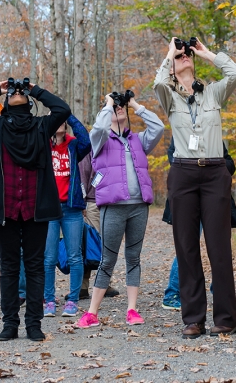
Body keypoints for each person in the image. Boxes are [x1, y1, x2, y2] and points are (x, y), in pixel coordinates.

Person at [0, 80, 70, 341]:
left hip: (35, 207)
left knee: (35, 267)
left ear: (30, 100)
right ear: (6, 99)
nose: (18, 93)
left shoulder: (42, 126)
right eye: (14, 91)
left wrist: (35, 89)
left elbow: (62, 109)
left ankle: (33, 324)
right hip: (5, 208)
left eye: (22, 92)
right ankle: (10, 323)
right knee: (8, 267)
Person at [153, 37, 236, 338]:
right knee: (186, 247)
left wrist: (206, 54)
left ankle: (227, 319)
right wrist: (169, 54)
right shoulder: (170, 96)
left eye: (187, 54)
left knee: (219, 248)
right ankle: (193, 318)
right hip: (183, 174)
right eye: (181, 56)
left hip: (215, 172)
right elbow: (157, 84)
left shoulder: (214, 94)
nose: (184, 57)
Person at [75, 92, 164, 329]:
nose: (119, 109)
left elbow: (158, 127)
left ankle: (132, 310)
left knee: (133, 258)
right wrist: (108, 104)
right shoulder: (100, 141)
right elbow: (99, 129)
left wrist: (135, 104)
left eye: (121, 107)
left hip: (138, 206)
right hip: (112, 207)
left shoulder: (138, 140)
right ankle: (92, 313)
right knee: (108, 259)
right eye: (117, 108)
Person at [161, 138, 236, 310]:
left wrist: (214, 170)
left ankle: (217, 291)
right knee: (187, 247)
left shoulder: (214, 139)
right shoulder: (180, 135)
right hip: (189, 201)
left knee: (219, 248)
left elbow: (230, 164)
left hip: (213, 199)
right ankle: (173, 294)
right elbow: (173, 161)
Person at [43, 116, 91, 317]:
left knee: (74, 256)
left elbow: (86, 140)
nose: (60, 123)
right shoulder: (43, 145)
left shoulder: (73, 146)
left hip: (72, 208)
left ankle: (72, 300)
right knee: (49, 258)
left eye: (62, 121)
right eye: (56, 120)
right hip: (49, 209)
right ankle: (48, 300)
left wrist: (67, 115)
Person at [77, 154, 119, 300]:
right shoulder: (89, 148)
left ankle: (104, 284)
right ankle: (82, 287)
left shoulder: (115, 144)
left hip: (112, 202)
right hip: (93, 203)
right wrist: (82, 201)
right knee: (89, 244)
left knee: (109, 245)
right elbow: (83, 175)